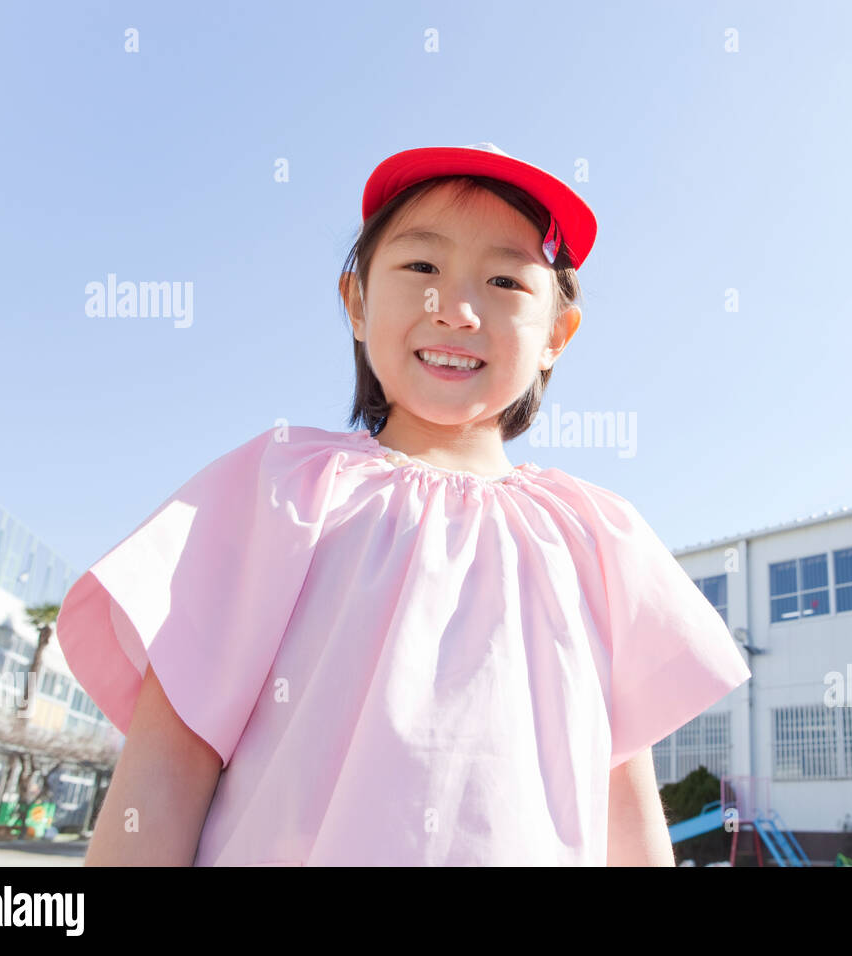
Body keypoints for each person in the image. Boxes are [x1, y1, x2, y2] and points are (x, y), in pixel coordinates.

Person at [55, 142, 751, 866]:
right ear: (356, 301)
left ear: (557, 335)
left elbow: (624, 807)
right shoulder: (281, 489)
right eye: (422, 267)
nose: (454, 309)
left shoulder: (598, 537)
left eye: (505, 281)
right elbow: (168, 764)